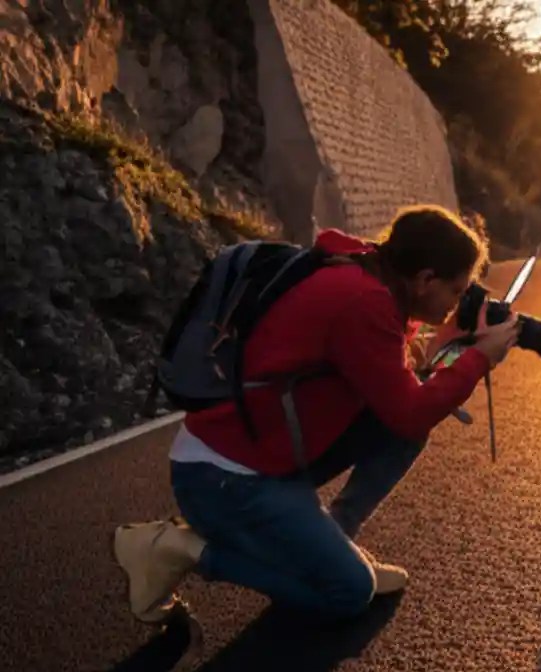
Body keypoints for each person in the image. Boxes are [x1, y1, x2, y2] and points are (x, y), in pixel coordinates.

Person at [111, 204, 520, 623]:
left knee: (401, 433)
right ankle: (180, 550)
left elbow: (396, 403)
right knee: (348, 591)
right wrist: (479, 358)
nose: (457, 303)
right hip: (225, 481)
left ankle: (334, 543)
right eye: (456, 290)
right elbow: (411, 413)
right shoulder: (364, 302)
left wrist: (448, 354)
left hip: (259, 452)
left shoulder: (365, 272)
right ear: (424, 279)